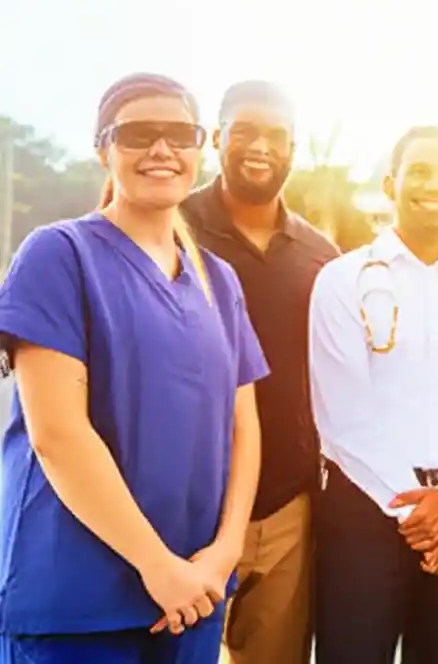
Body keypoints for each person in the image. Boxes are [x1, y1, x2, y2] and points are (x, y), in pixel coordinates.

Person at [0, 73, 267, 662]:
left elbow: (244, 427)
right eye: (138, 134)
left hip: (191, 600)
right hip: (78, 602)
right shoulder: (58, 255)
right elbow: (57, 436)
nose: (162, 150)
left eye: (180, 134)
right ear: (104, 149)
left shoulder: (218, 280)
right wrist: (156, 565)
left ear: (203, 149)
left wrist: (222, 558)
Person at [308, 125, 438, 664]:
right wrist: (423, 521)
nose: (435, 185)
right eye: (420, 172)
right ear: (390, 184)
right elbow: (343, 417)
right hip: (364, 514)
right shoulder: (343, 280)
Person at [181, 80, 340, 664]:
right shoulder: (171, 228)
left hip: (283, 508)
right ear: (218, 138)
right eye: (244, 131)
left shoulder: (322, 256)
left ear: (294, 149)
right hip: (182, 502)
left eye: (276, 136)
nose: (259, 147)